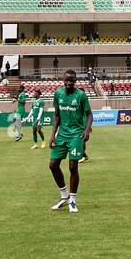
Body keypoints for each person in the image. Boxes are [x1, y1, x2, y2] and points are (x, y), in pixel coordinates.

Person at [48, 69, 93, 213]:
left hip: (76, 135)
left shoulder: (80, 95)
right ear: (63, 80)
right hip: (62, 135)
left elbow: (89, 114)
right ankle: (64, 196)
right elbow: (56, 116)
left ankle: (73, 199)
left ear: (75, 81)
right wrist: (52, 135)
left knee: (73, 166)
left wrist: (87, 130)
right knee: (53, 165)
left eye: (71, 80)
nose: (68, 82)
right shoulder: (58, 94)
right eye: (66, 80)